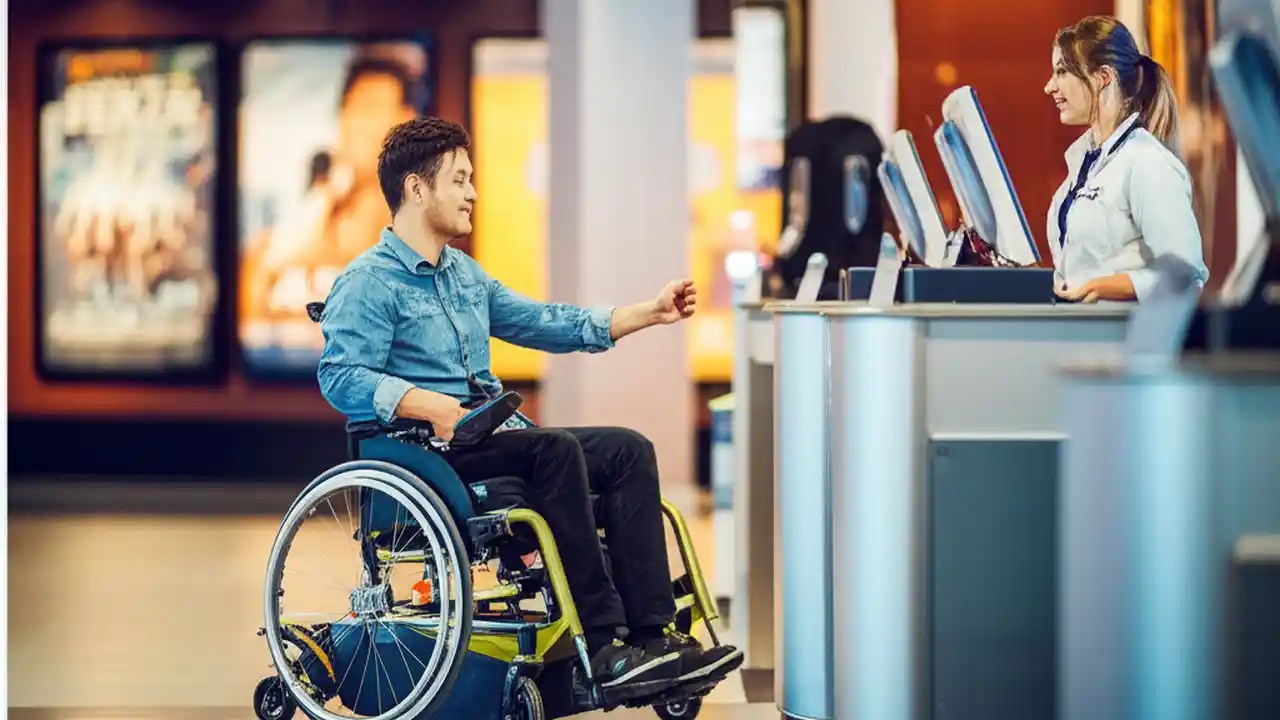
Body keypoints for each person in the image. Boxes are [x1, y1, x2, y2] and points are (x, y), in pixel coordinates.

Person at [316, 116, 743, 699]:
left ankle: (652, 635)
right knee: (554, 450)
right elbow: (339, 376)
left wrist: (647, 313)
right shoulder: (369, 282)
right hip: (427, 453)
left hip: (488, 436)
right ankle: (602, 641)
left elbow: (543, 322)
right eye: (460, 180)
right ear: (416, 189)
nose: (473, 193)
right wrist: (429, 406)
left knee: (626, 450)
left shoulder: (463, 276)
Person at [1044, 15, 1209, 303]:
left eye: (1061, 72)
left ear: (1102, 78)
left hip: (1124, 340)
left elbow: (1186, 277)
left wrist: (1109, 286)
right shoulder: (1086, 163)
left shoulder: (1147, 164)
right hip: (1079, 338)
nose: (1049, 87)